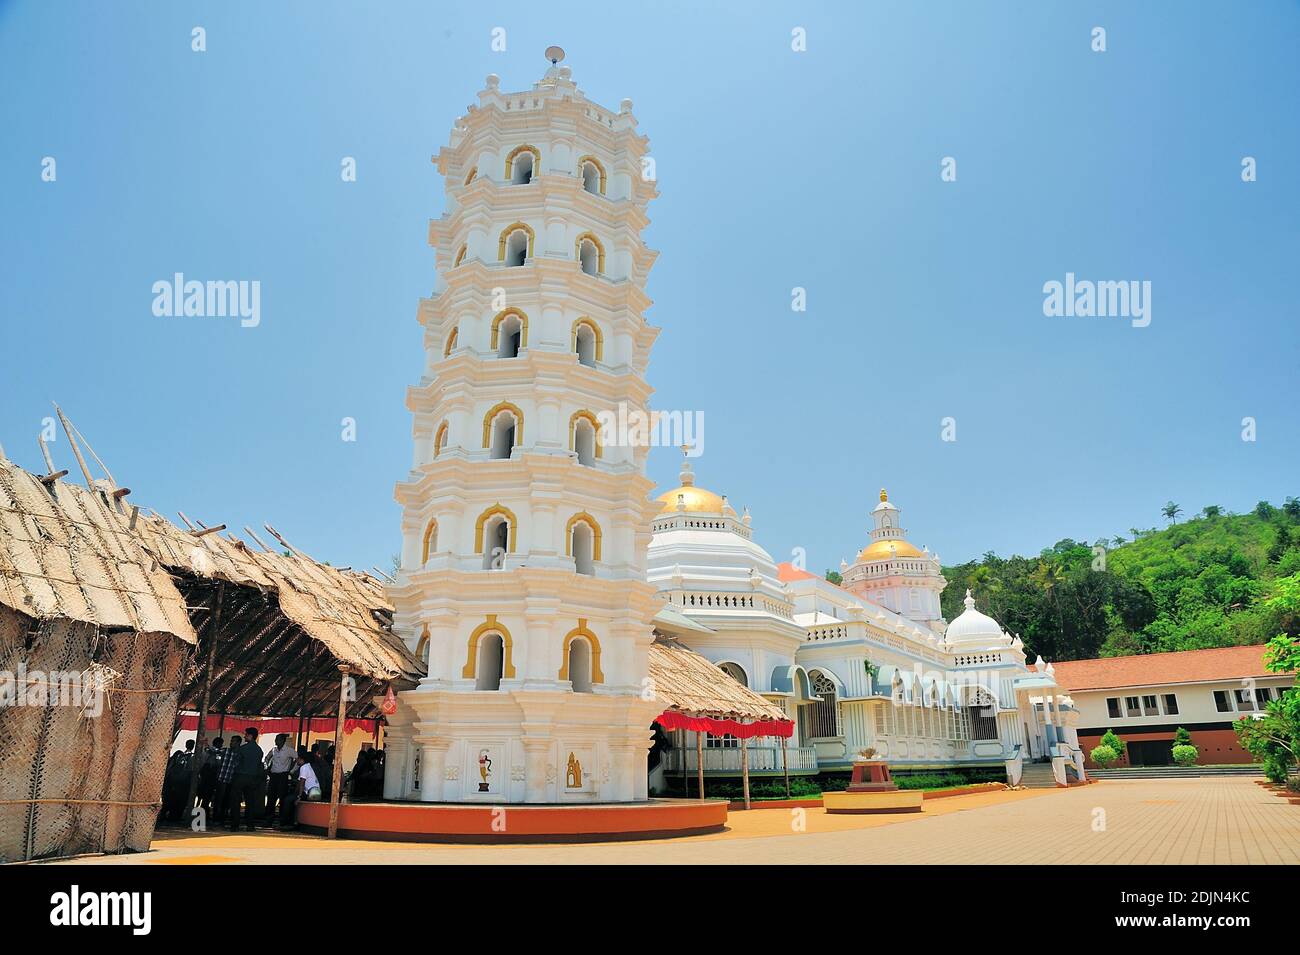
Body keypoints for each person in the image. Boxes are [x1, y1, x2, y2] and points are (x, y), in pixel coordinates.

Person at [226, 727, 264, 831]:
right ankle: (250, 825)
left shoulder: (242, 748)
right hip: (252, 778)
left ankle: (235, 825)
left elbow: (235, 761)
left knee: (235, 801)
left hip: (240, 776)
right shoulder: (259, 750)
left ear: (251, 736)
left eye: (246, 735)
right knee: (250, 802)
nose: (244, 736)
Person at [263, 733, 296, 825]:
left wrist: (292, 771)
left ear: (283, 741)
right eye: (275, 739)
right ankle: (269, 819)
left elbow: (298, 759)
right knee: (271, 798)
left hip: (283, 776)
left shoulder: (289, 750)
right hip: (273, 776)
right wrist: (266, 767)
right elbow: (267, 758)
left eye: (277, 739)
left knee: (282, 798)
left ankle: (282, 820)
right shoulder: (273, 750)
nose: (275, 741)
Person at [215, 735, 239, 824]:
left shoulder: (239, 754)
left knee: (226, 801)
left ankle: (222, 818)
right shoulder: (225, 751)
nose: (231, 743)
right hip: (221, 779)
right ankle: (216, 818)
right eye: (231, 741)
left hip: (230, 781)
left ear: (238, 743)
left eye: (233, 741)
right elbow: (214, 751)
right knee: (218, 800)